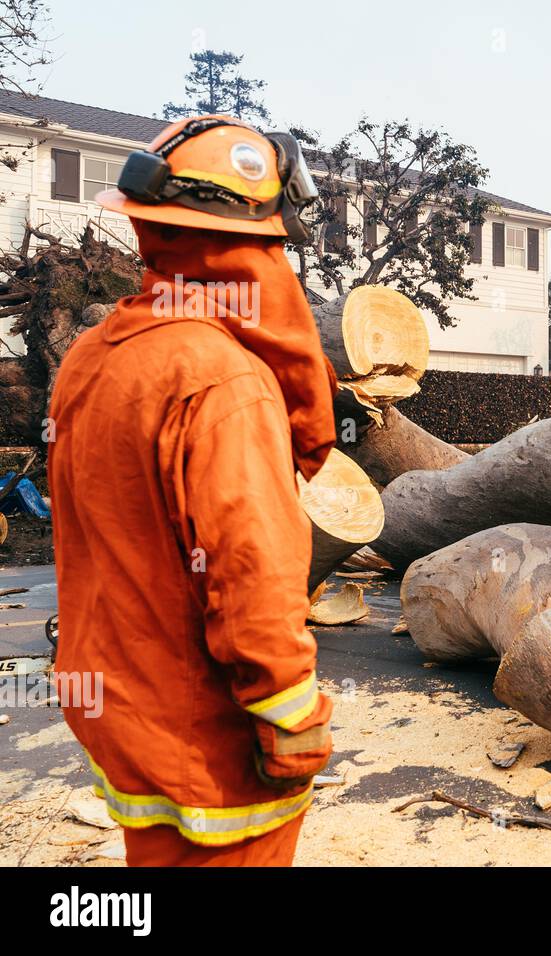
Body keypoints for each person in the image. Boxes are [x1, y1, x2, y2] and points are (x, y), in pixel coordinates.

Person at [48, 116, 336, 866]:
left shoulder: (95, 353)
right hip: (208, 736)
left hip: (122, 708)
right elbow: (253, 574)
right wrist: (292, 718)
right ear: (261, 241)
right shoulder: (226, 380)